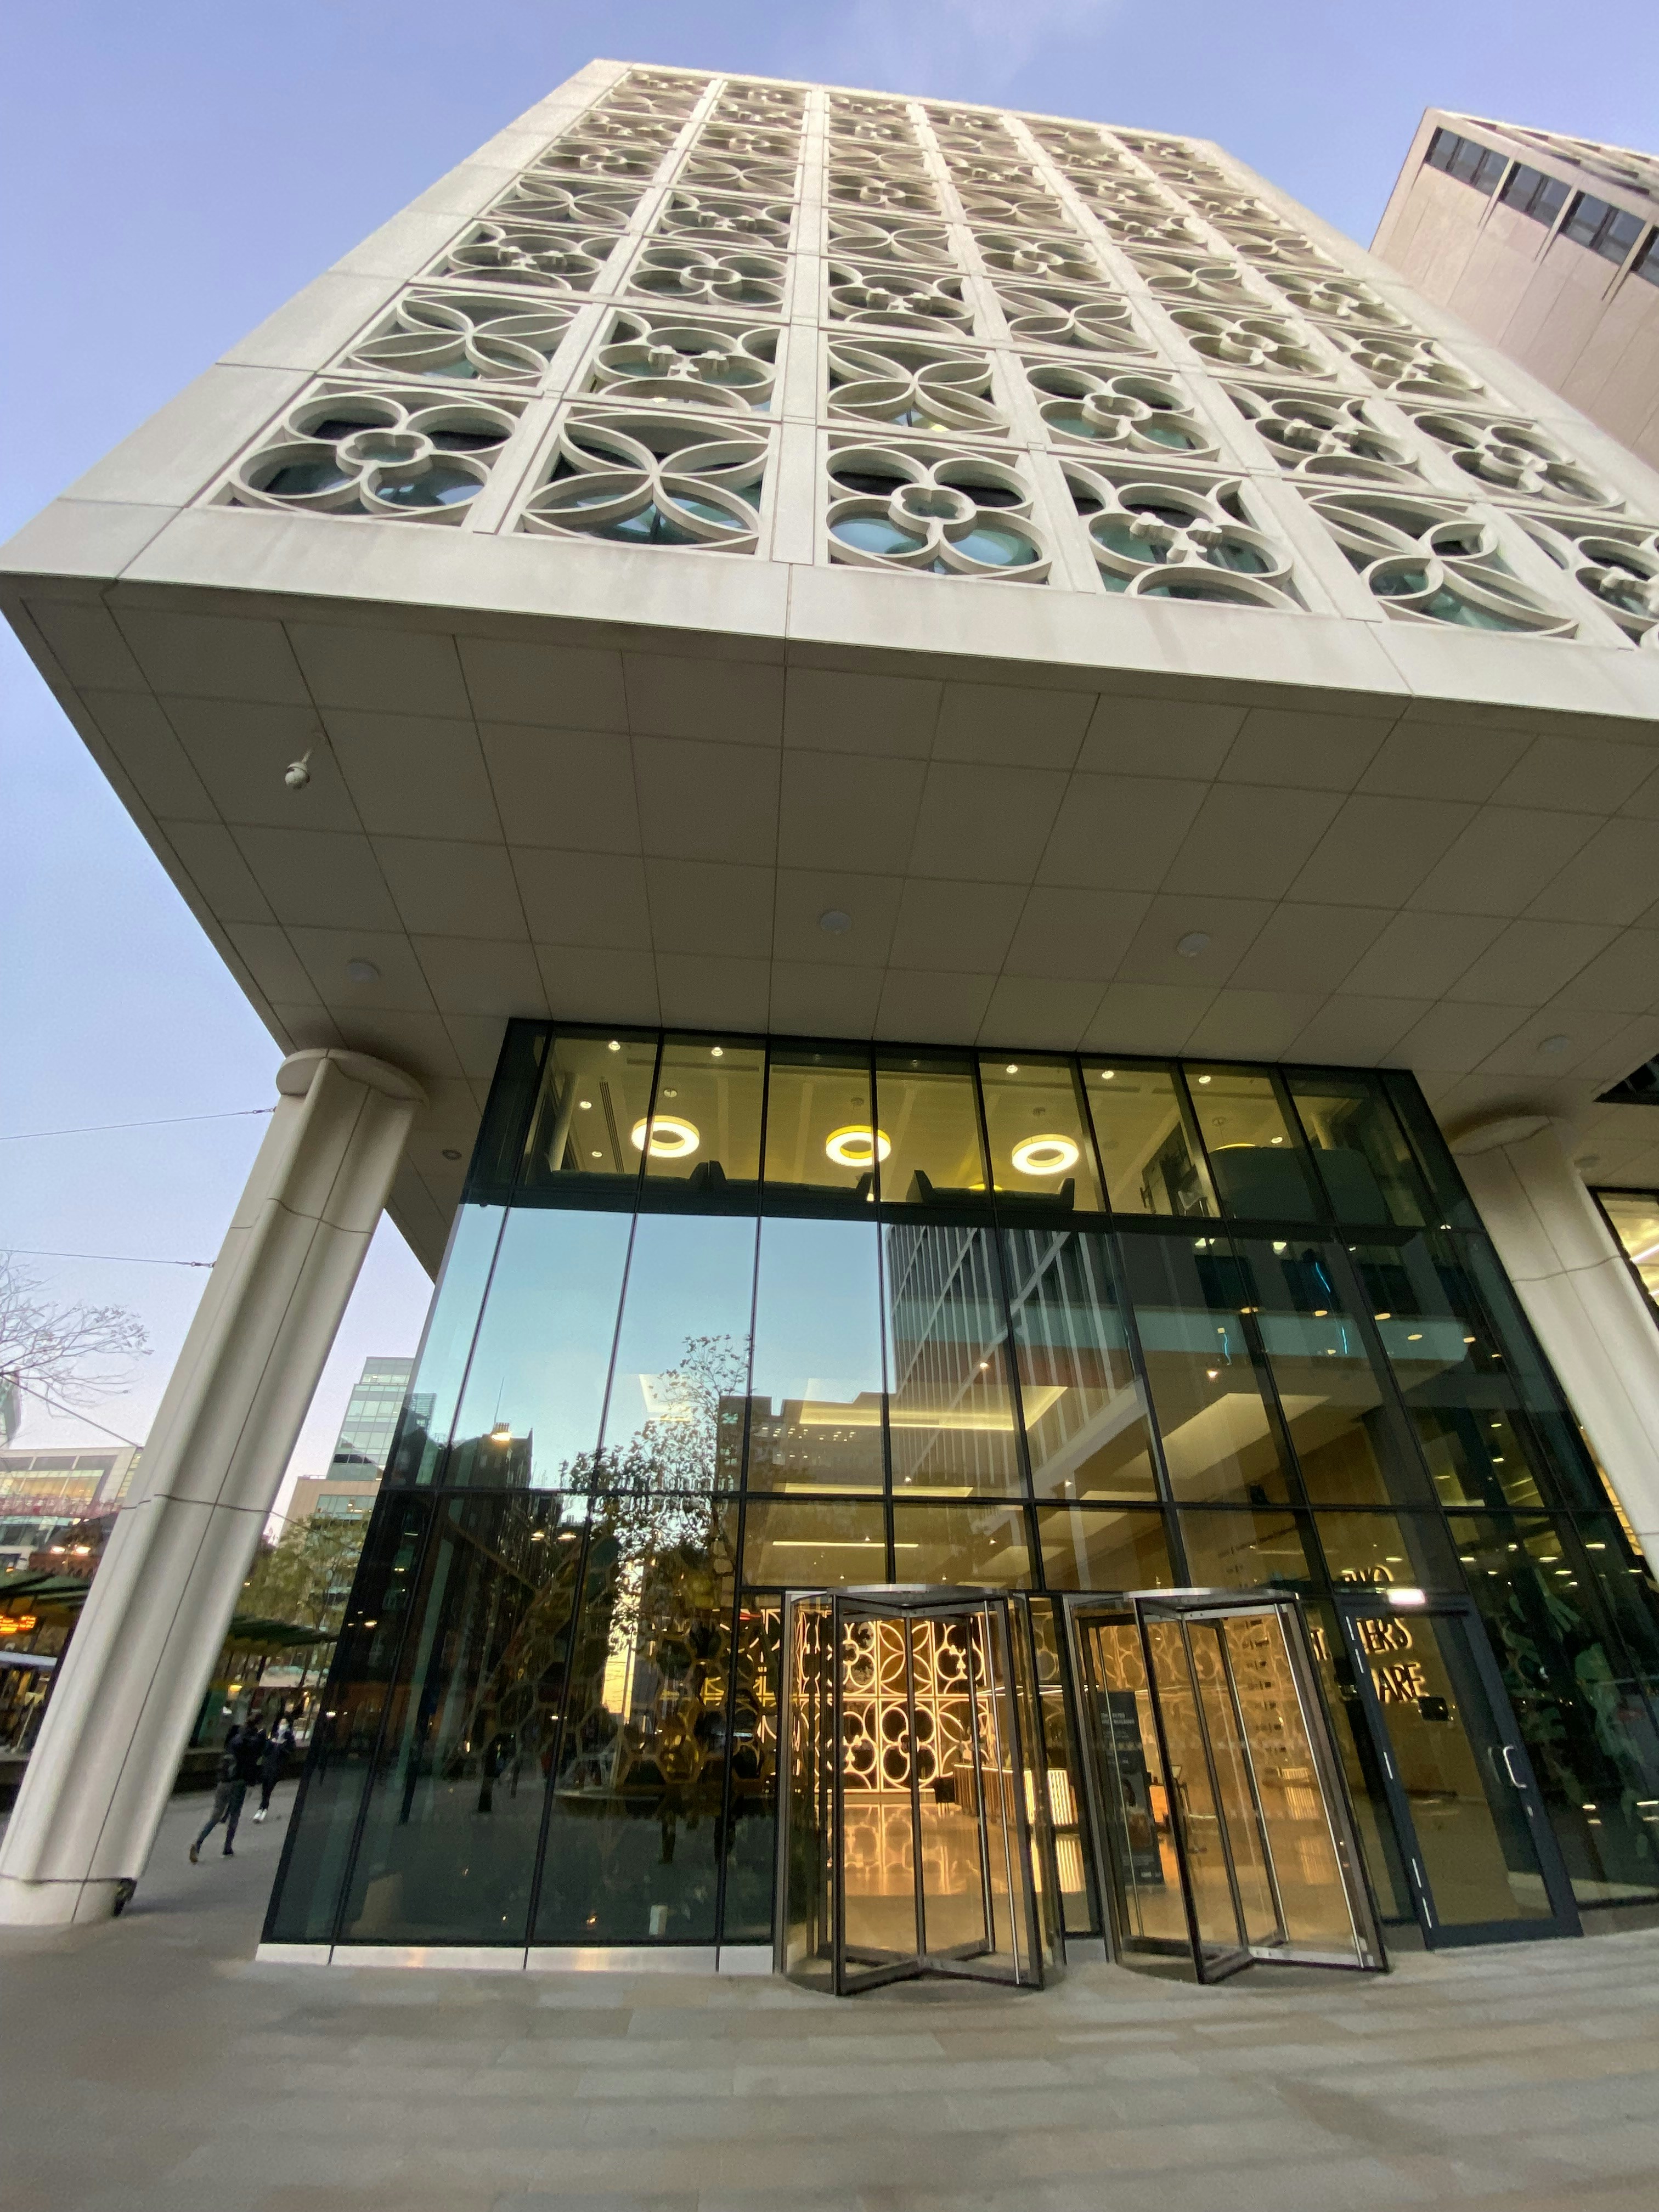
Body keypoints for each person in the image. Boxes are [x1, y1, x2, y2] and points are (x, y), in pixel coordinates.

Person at [189, 1718, 267, 1863]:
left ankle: (198, 1843)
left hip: (224, 1780)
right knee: (235, 1815)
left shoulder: (235, 1737)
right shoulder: (253, 1741)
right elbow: (255, 1760)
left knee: (216, 1815)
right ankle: (227, 1847)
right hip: (238, 1782)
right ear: (258, 1725)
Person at [253, 1716, 295, 1821]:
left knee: (269, 1789)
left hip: (277, 1767)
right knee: (265, 1788)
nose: (282, 1725)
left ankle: (262, 1809)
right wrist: (271, 1743)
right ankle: (262, 1808)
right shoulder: (274, 1734)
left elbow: (290, 1752)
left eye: (284, 1723)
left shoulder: (289, 1737)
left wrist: (281, 1747)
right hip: (268, 1765)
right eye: (281, 1723)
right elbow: (266, 1751)